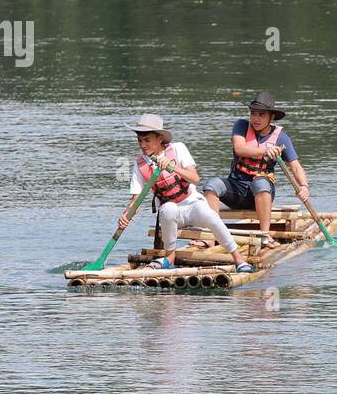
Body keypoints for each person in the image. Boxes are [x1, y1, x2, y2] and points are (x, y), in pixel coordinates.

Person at [119, 114, 254, 273]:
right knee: (168, 208)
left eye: (147, 140)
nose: (142, 145)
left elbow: (195, 179)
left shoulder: (177, 148)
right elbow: (136, 199)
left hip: (191, 205)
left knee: (210, 215)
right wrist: (126, 215)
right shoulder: (140, 164)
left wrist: (173, 167)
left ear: (160, 138)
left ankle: (238, 259)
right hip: (171, 214)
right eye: (139, 141)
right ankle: (170, 257)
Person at [202, 92, 311, 248]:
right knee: (211, 185)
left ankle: (264, 236)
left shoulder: (282, 138)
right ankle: (211, 235)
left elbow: (295, 166)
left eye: (261, 115)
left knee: (260, 183)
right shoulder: (241, 126)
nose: (256, 118)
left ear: (271, 117)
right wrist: (265, 151)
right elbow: (240, 149)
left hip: (260, 194)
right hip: (237, 189)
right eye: (253, 113)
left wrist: (304, 186)